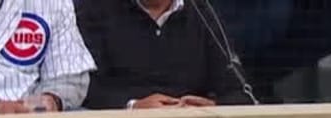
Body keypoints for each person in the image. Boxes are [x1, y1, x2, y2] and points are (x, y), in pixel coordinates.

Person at [74, 0, 251, 110]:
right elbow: (85, 89)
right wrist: (133, 106)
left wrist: (214, 107)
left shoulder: (201, 11)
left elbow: (240, 91)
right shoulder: (94, 8)